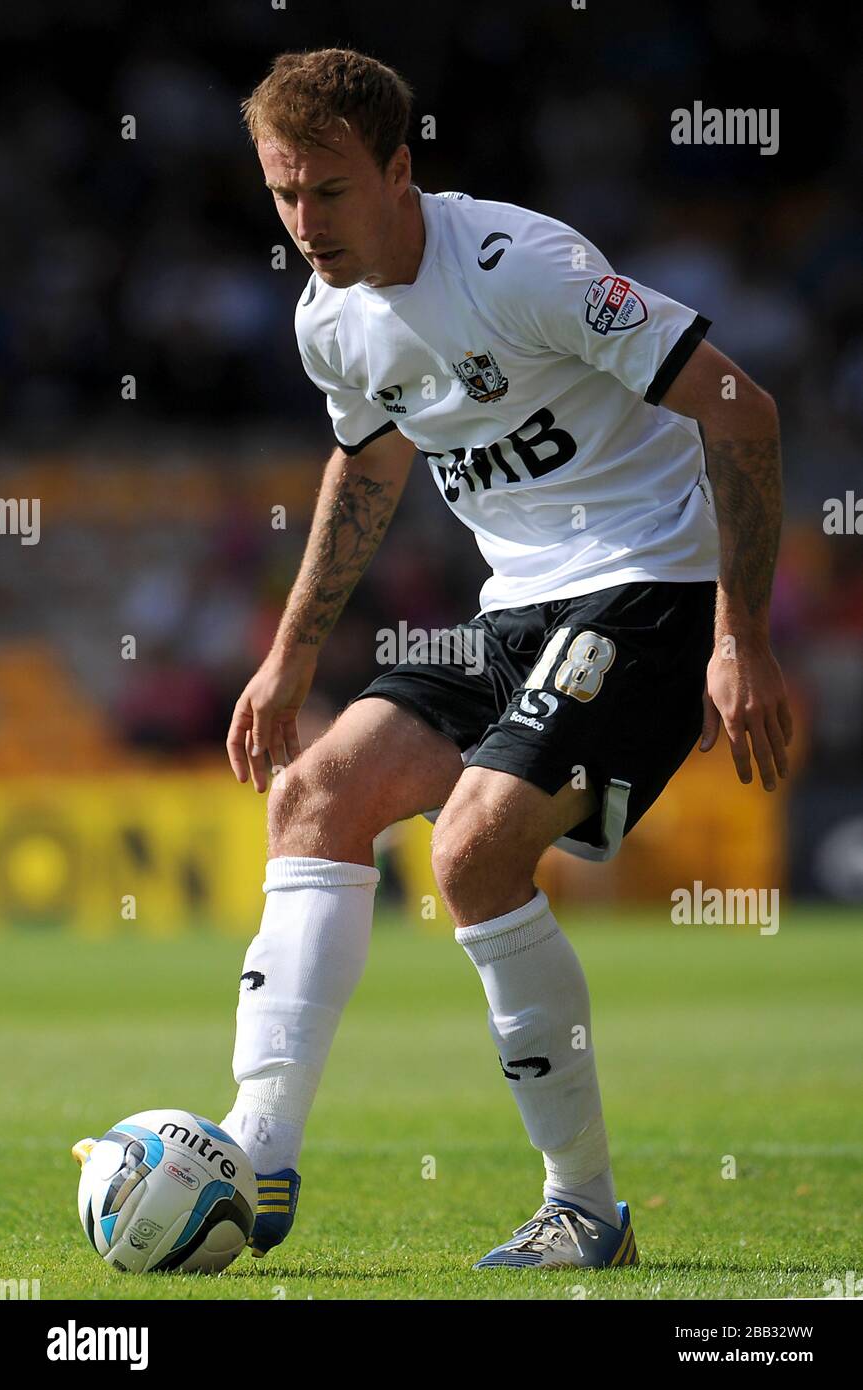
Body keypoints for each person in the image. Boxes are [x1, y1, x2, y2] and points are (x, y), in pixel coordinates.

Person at [220, 47, 792, 1270]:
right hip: (515, 607)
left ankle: (581, 1208)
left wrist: (742, 636)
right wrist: (286, 657)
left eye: (327, 190)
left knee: (472, 852)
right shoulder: (329, 318)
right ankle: (255, 1153)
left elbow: (740, 406)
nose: (304, 223)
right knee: (311, 796)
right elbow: (368, 464)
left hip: (647, 589)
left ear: (399, 170)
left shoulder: (519, 267)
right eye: (282, 195)